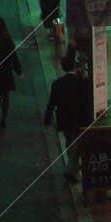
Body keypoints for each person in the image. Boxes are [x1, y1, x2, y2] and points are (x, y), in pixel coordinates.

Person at [43, 53, 94, 181]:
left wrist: (47, 118)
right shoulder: (82, 82)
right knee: (76, 145)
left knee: (70, 143)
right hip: (81, 119)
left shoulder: (57, 83)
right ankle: (71, 170)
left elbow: (51, 103)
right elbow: (87, 101)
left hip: (64, 120)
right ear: (75, 67)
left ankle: (72, 169)